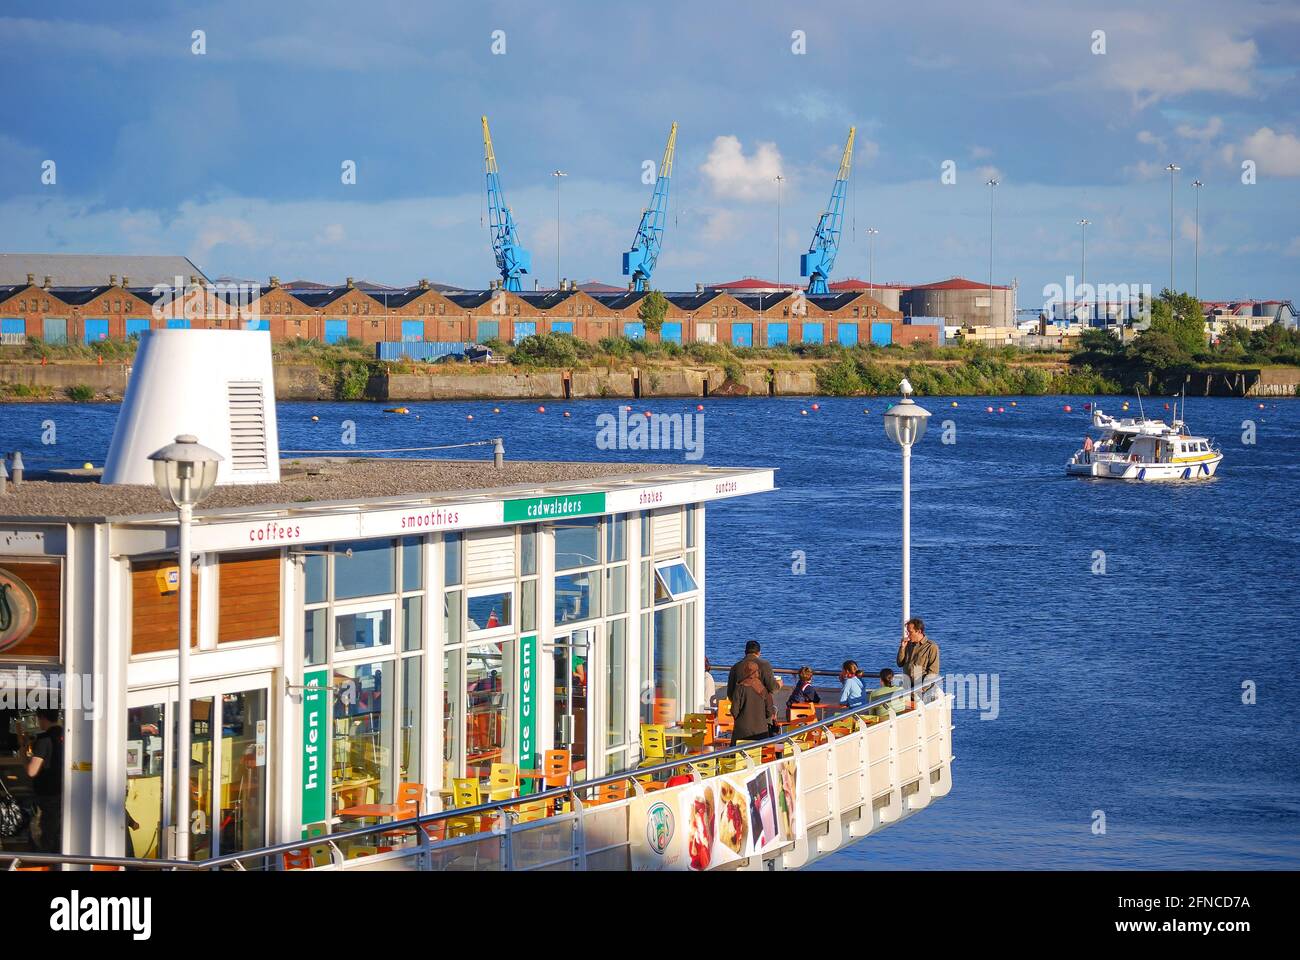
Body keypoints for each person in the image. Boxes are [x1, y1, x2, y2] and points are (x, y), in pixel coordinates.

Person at [25, 709, 63, 853]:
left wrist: (24, 749)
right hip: (63, 793)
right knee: (59, 834)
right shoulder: (66, 735)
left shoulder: (43, 740)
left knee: (45, 839)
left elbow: (31, 771)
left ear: (42, 718)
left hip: (48, 795)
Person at [729, 661, 775, 745]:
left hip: (742, 732)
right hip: (761, 733)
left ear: (745, 672)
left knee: (736, 754)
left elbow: (734, 710)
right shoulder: (763, 689)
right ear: (757, 672)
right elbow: (769, 711)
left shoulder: (740, 688)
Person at [897, 617, 941, 700]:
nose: (908, 635)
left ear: (919, 631)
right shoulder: (908, 644)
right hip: (907, 687)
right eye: (907, 632)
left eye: (910, 632)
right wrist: (902, 648)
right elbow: (900, 663)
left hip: (921, 691)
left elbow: (933, 672)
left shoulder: (931, 647)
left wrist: (922, 688)